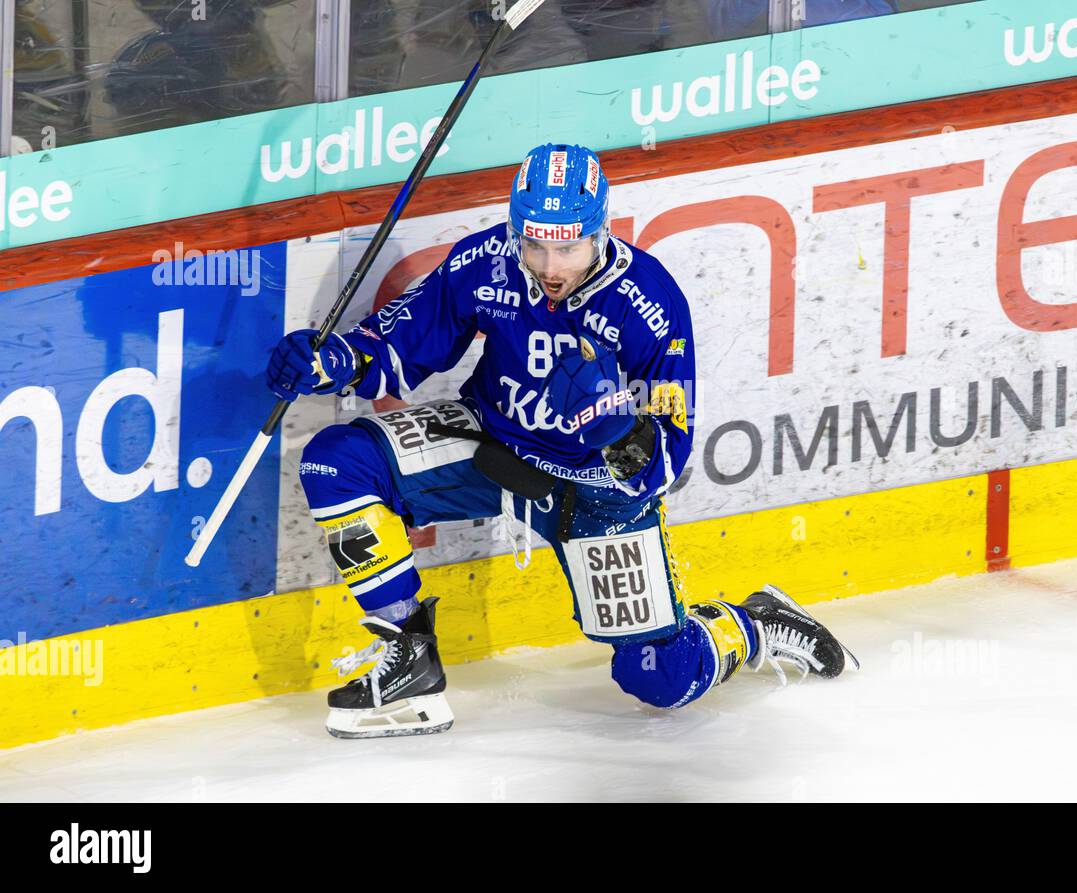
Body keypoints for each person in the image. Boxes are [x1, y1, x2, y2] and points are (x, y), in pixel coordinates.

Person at [266, 143, 856, 738]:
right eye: (535, 244)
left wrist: (617, 432)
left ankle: (751, 624)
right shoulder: (487, 260)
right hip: (490, 444)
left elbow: (665, 462)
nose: (550, 264)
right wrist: (335, 359)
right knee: (335, 464)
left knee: (661, 678)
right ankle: (410, 656)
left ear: (601, 231)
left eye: (567, 246)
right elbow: (401, 345)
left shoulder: (651, 302)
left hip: (599, 489)